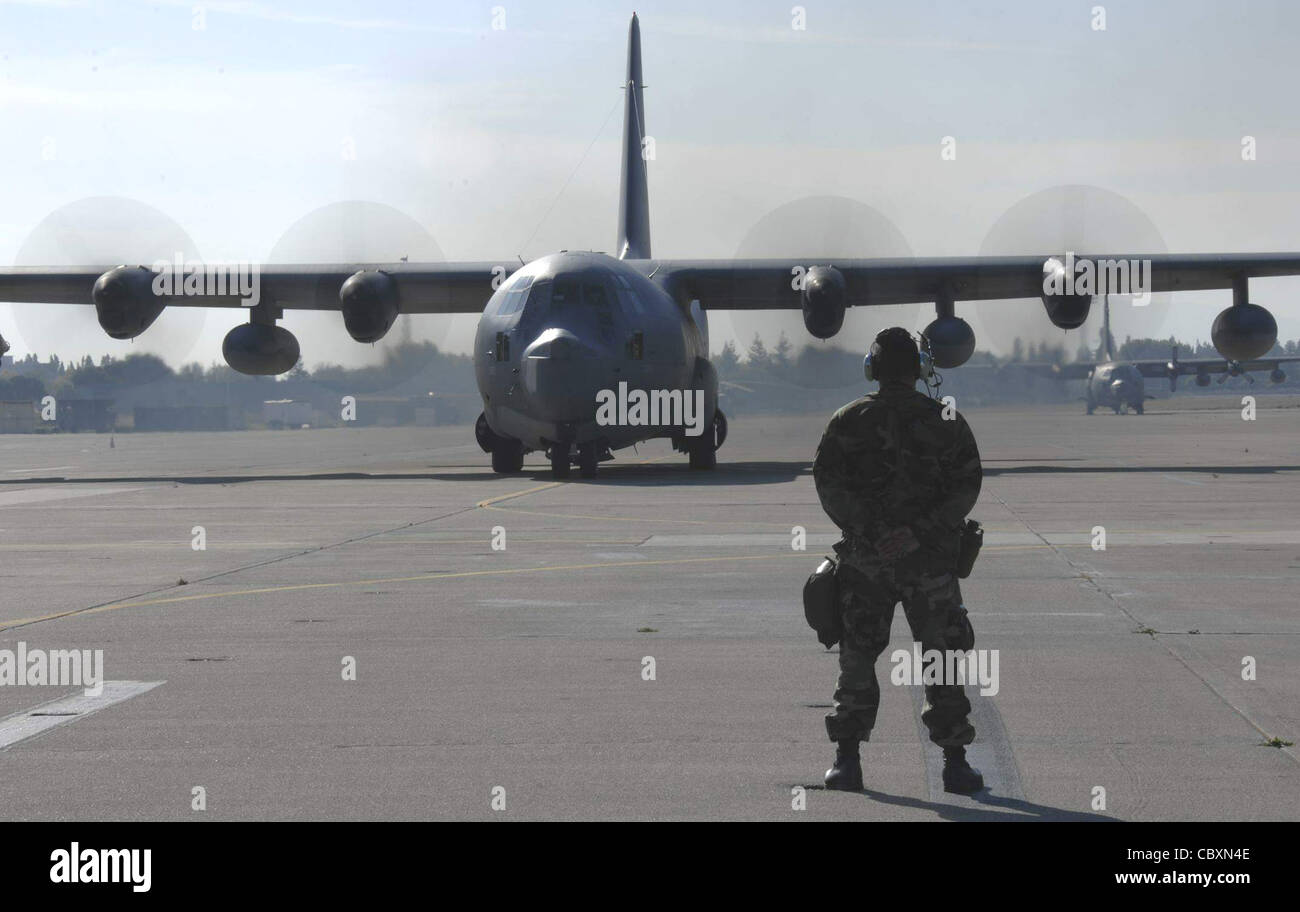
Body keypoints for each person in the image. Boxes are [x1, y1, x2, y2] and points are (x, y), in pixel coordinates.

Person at [812, 327, 985, 794]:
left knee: (857, 657)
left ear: (872, 369)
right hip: (928, 564)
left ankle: (847, 761)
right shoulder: (947, 419)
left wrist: (873, 532)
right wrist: (917, 533)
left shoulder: (848, 419)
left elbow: (829, 486)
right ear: (920, 371)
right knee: (943, 657)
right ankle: (956, 763)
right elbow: (966, 485)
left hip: (868, 562)